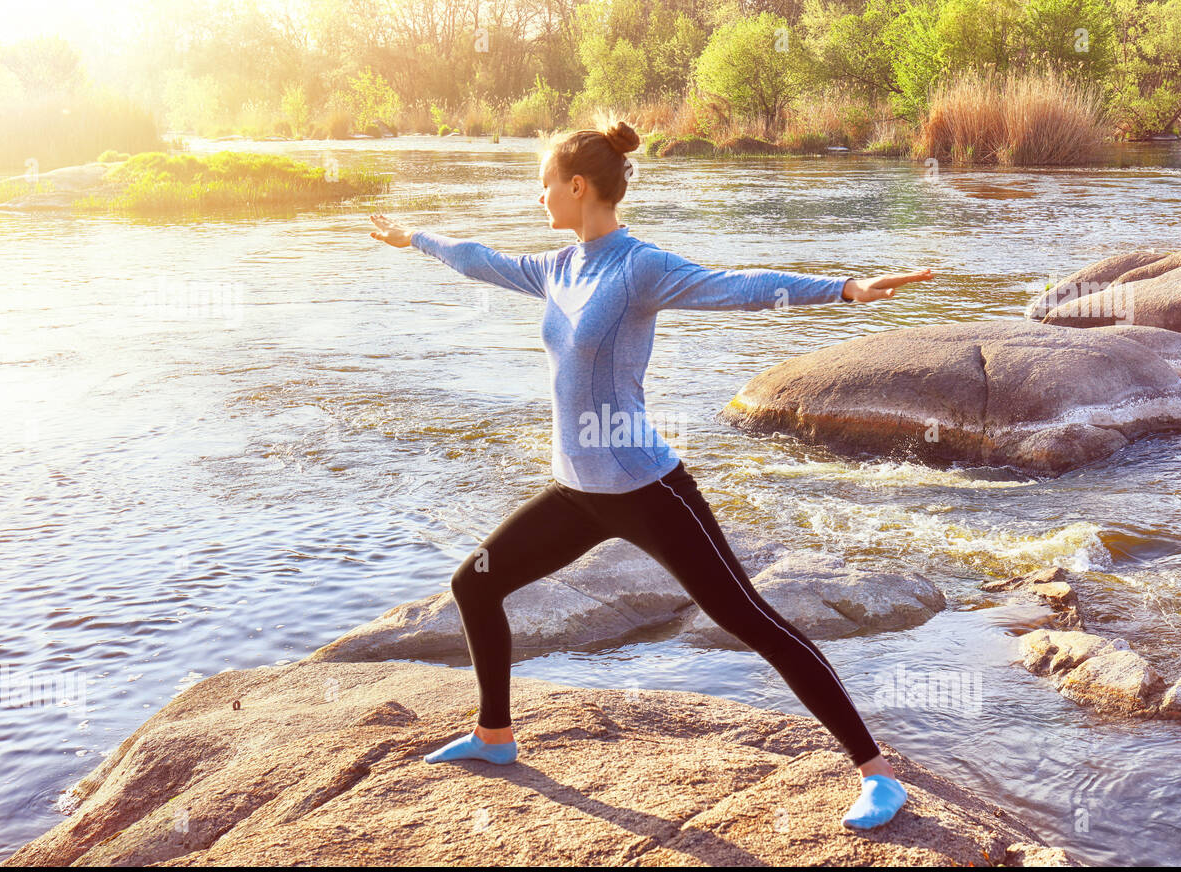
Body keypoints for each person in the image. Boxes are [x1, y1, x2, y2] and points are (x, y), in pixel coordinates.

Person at [368, 118, 934, 830]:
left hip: (646, 488)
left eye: (545, 184)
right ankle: (495, 735)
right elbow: (481, 258)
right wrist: (414, 238)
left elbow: (736, 286)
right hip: (578, 493)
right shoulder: (558, 267)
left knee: (748, 618)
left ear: (577, 186)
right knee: (474, 581)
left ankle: (877, 773)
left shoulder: (637, 266)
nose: (538, 197)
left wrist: (846, 288)